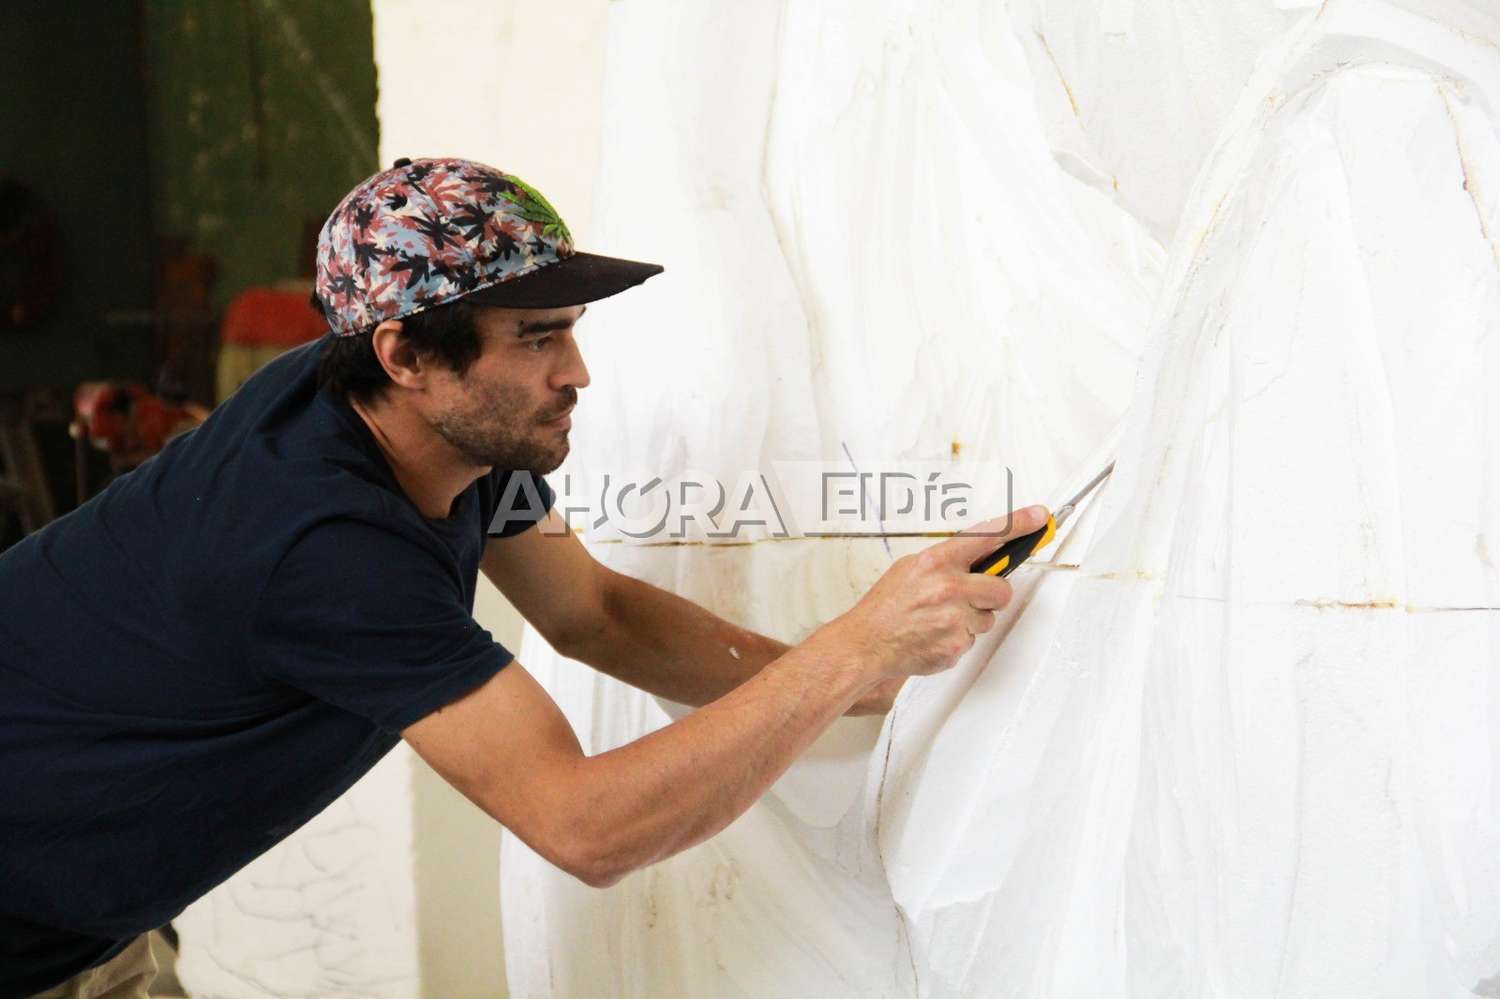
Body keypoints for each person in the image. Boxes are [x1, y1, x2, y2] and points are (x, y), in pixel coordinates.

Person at [0, 158, 1045, 997]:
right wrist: (848, 649)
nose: (576, 374)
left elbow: (593, 614)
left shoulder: (426, 430)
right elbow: (585, 826)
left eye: (573, 331)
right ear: (407, 354)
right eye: (538, 338)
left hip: (88, 922)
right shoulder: (321, 549)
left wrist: (858, 682)